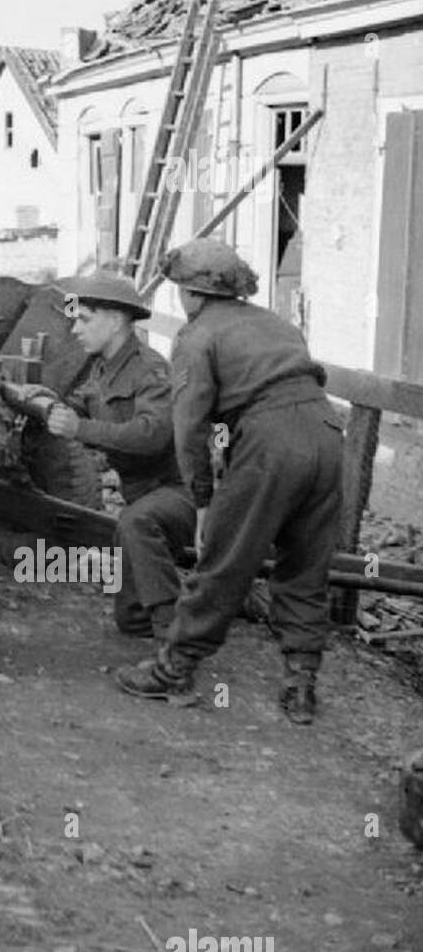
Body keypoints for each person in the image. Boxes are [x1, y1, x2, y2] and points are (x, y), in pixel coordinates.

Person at [115, 238, 343, 723]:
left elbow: (190, 426)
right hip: (326, 435)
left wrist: (201, 501)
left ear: (192, 293)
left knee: (225, 561)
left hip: (270, 443)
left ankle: (173, 669)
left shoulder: (196, 337)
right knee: (305, 564)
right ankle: (301, 686)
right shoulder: (279, 325)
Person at [45, 272, 196, 639]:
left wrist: (79, 429)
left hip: (181, 492)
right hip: (143, 495)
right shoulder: (103, 368)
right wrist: (39, 402)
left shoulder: (151, 368)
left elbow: (151, 436)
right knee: (130, 619)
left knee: (135, 522)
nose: (76, 329)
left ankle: (175, 646)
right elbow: (76, 404)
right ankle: (200, 606)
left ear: (114, 321)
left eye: (84, 319)